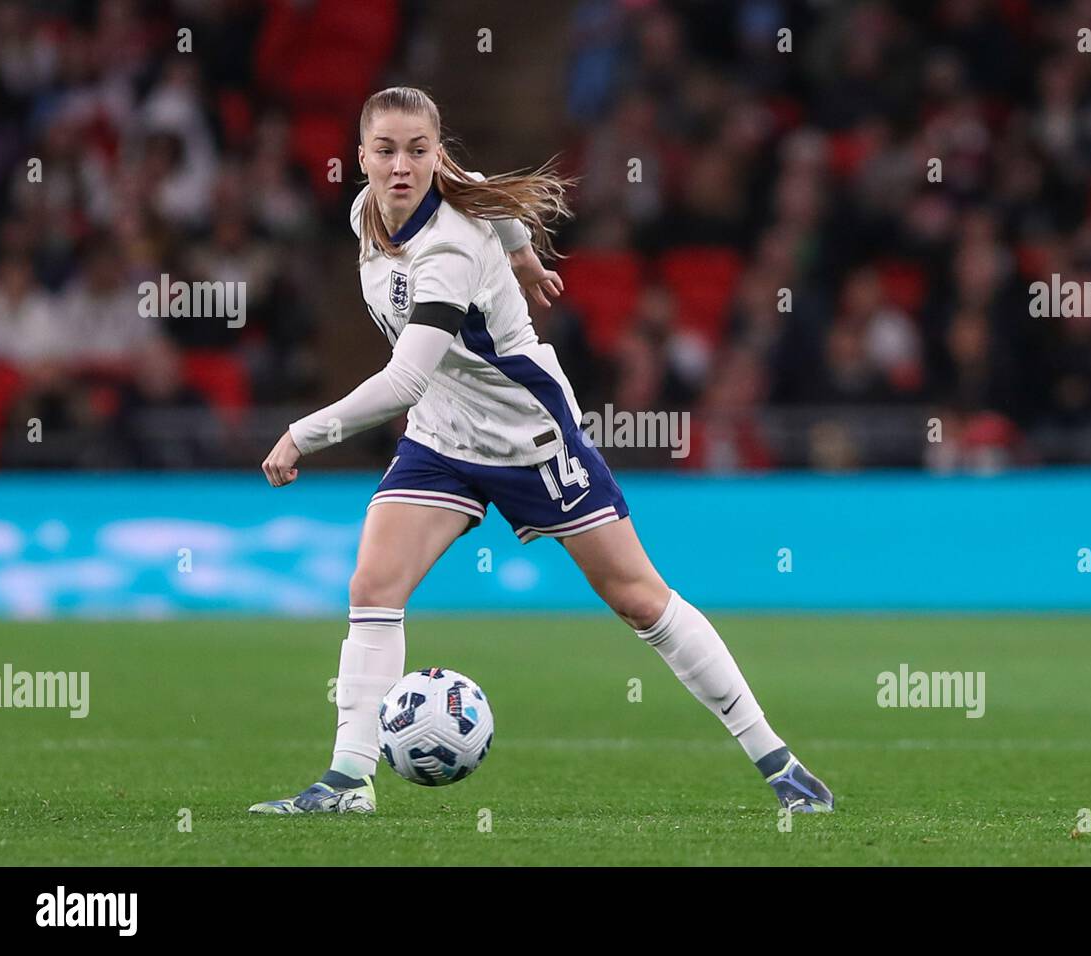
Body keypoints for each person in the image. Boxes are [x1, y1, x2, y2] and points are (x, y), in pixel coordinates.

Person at [248, 87, 832, 815]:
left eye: (418, 150)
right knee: (373, 588)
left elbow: (403, 378)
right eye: (387, 150)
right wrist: (523, 258)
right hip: (441, 437)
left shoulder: (451, 248)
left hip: (528, 437)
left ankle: (780, 765)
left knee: (639, 600)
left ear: (438, 154)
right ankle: (346, 782)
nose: (402, 166)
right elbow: (502, 209)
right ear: (361, 157)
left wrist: (304, 432)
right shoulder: (367, 212)